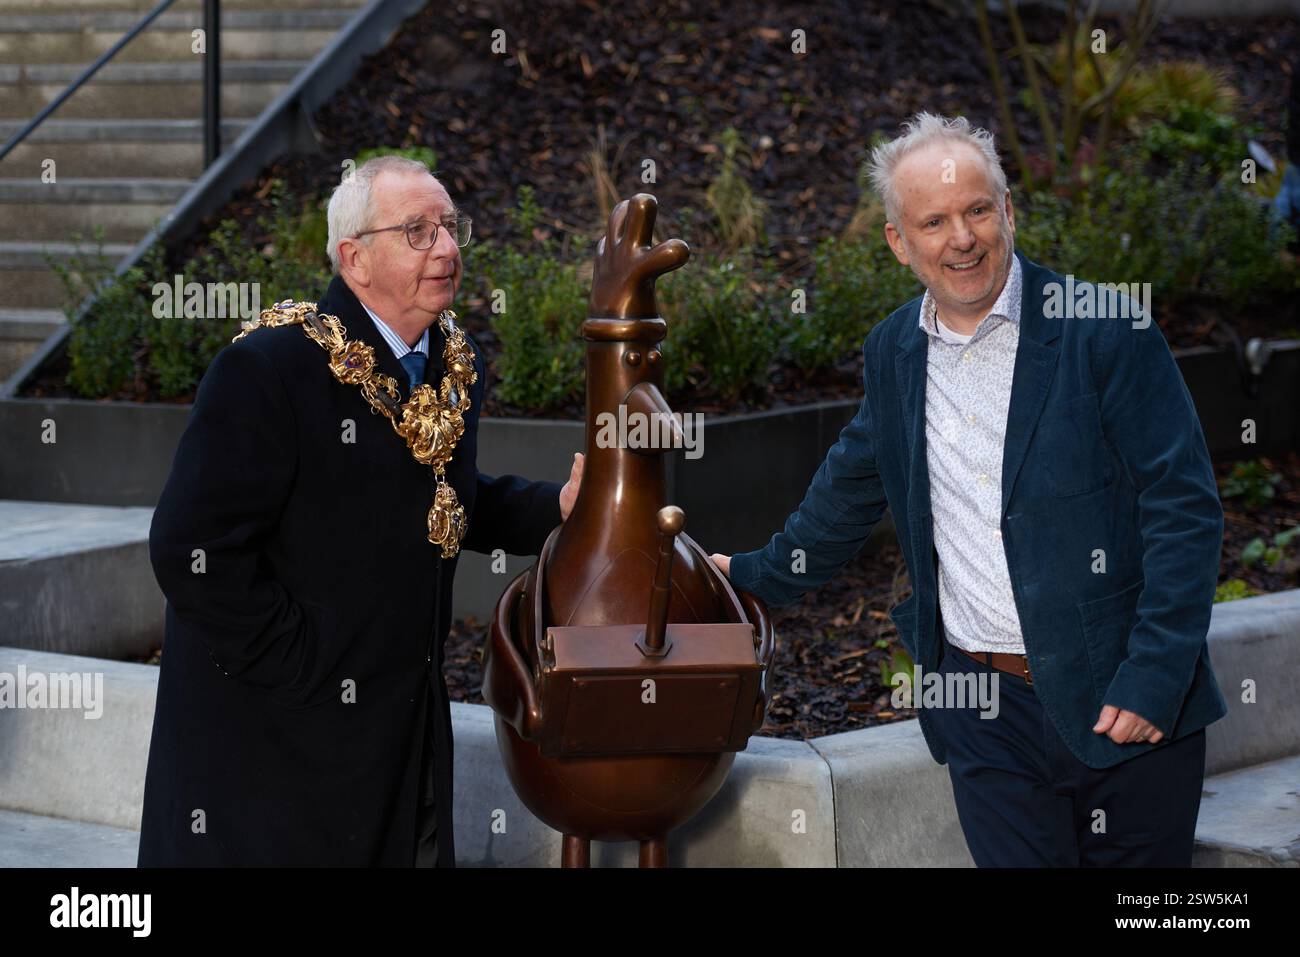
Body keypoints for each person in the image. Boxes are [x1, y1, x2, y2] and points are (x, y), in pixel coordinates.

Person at [712, 113, 1227, 867]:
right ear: (898, 241)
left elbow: (1184, 507)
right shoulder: (894, 349)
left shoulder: (1104, 326)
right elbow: (851, 486)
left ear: (1008, 212)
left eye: (978, 210)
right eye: (934, 220)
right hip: (984, 713)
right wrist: (752, 575)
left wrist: (1155, 675)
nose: (962, 237)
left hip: (1123, 701)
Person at [139, 155, 583, 866]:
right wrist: (305, 659)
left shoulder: (452, 360)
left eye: (449, 226)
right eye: (416, 230)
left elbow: (444, 496)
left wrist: (555, 508)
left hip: (400, 730)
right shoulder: (271, 368)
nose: (446, 247)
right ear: (355, 258)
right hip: (275, 745)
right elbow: (190, 550)